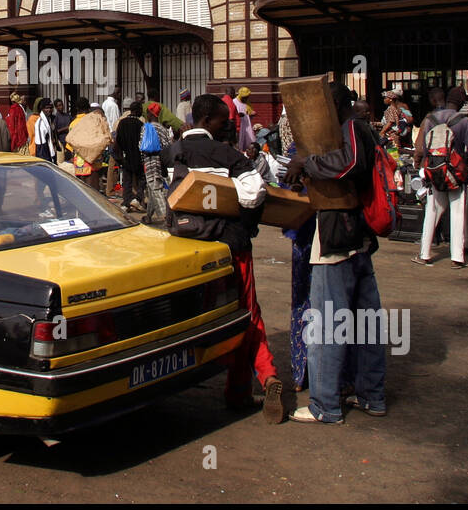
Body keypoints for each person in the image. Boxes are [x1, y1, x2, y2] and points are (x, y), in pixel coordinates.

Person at [166, 93, 283, 421]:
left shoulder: (173, 152)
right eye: (222, 120)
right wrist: (245, 219)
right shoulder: (228, 155)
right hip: (231, 244)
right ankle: (258, 378)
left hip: (188, 249)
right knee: (247, 313)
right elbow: (254, 193)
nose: (227, 123)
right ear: (207, 121)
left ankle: (206, 381)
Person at [285, 83, 388, 424]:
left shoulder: (354, 127)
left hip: (339, 240)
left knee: (327, 328)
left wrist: (307, 163)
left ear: (335, 105)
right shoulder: (346, 131)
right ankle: (371, 395)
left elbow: (351, 165)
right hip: (355, 238)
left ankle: (325, 406)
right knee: (365, 325)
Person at [413, 87, 468, 268]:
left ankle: (424, 254)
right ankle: (457, 258)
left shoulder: (430, 120)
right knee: (457, 213)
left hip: (434, 171)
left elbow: (424, 150)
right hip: (455, 173)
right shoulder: (463, 121)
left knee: (431, 212)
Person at [141, 103, 173, 225]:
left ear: (150, 113)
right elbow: (167, 146)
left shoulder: (146, 128)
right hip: (161, 162)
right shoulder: (162, 129)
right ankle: (148, 216)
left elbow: (141, 146)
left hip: (150, 162)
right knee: (152, 189)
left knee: (155, 188)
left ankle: (165, 215)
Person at [114, 100, 146, 213]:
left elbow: (118, 140)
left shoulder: (122, 123)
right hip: (138, 156)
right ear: (137, 111)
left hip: (126, 156)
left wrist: (120, 157)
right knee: (142, 178)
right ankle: (137, 199)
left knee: (127, 181)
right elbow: (142, 141)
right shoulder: (140, 124)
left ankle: (126, 202)